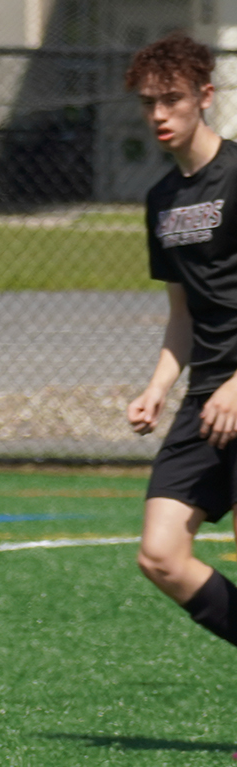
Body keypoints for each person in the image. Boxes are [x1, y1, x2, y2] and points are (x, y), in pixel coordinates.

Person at [124, 33, 237, 676]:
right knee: (160, 555)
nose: (159, 115)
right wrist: (158, 385)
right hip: (206, 397)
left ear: (205, 98)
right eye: (149, 103)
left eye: (172, 100)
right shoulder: (161, 199)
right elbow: (181, 315)